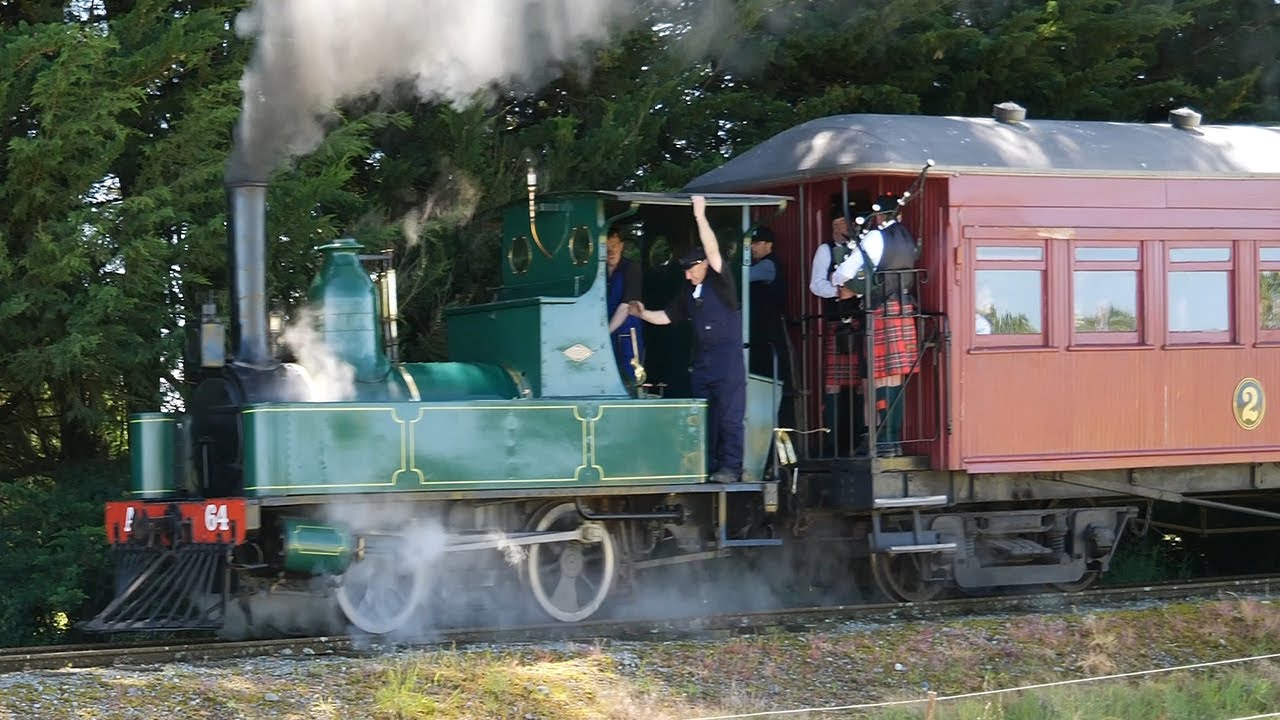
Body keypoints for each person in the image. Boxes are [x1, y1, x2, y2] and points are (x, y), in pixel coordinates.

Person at [629, 196, 745, 483]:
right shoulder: (687, 293)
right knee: (705, 417)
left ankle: (732, 468)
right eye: (685, 270)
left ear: (704, 264)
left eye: (692, 268)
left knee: (730, 416)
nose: (688, 274)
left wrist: (700, 216)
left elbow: (713, 248)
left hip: (727, 359)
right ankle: (706, 466)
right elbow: (666, 317)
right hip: (703, 359)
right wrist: (643, 314)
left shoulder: (721, 281)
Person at [830, 194, 920, 457]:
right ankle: (892, 441)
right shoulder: (907, 237)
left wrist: (839, 277)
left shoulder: (874, 237)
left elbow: (846, 272)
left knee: (880, 377)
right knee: (895, 377)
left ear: (878, 216)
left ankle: (881, 442)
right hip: (903, 308)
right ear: (898, 215)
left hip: (880, 308)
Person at [808, 197, 869, 456]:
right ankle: (832, 443)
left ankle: (857, 440)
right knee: (833, 384)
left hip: (860, 321)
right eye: (838, 222)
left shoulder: (862, 249)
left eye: (846, 222)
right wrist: (838, 291)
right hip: (837, 322)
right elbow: (815, 284)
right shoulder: (825, 250)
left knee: (860, 384)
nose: (842, 227)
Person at [605, 228, 645, 387]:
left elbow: (626, 306)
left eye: (613, 245)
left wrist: (603, 333)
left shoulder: (631, 268)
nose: (610, 251)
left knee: (630, 379)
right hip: (606, 334)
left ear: (621, 246)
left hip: (627, 335)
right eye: (605, 246)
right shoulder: (597, 271)